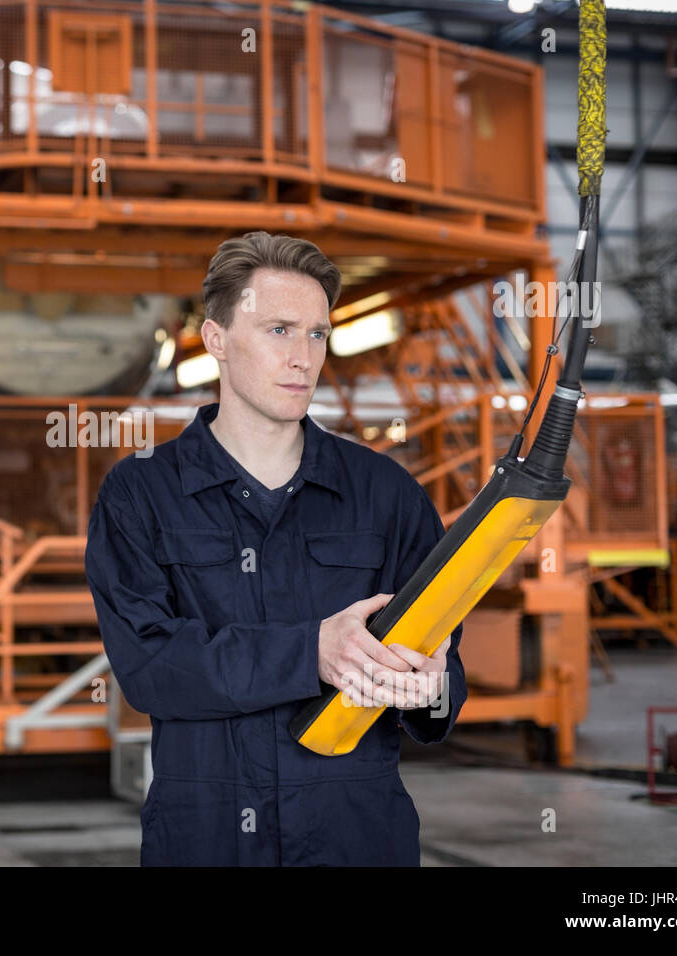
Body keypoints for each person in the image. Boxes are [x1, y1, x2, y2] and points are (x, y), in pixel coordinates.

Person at [85, 231, 467, 866]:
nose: (304, 358)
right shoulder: (141, 493)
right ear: (216, 341)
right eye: (279, 330)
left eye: (317, 334)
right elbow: (150, 668)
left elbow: (445, 673)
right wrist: (310, 652)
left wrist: (430, 688)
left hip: (357, 837)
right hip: (206, 841)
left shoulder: (386, 493)